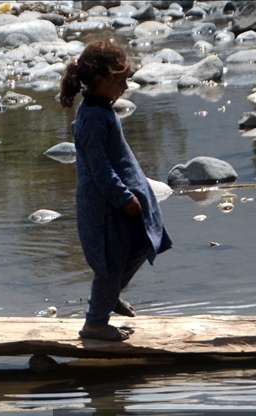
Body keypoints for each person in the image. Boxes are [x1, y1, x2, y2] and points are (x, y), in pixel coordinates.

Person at [60, 40, 172, 342]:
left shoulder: (100, 109)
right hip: (107, 207)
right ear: (100, 81)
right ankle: (95, 323)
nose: (125, 86)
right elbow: (99, 169)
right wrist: (123, 196)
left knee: (140, 245)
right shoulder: (93, 118)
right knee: (110, 264)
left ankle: (108, 298)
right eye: (120, 80)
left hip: (122, 200)